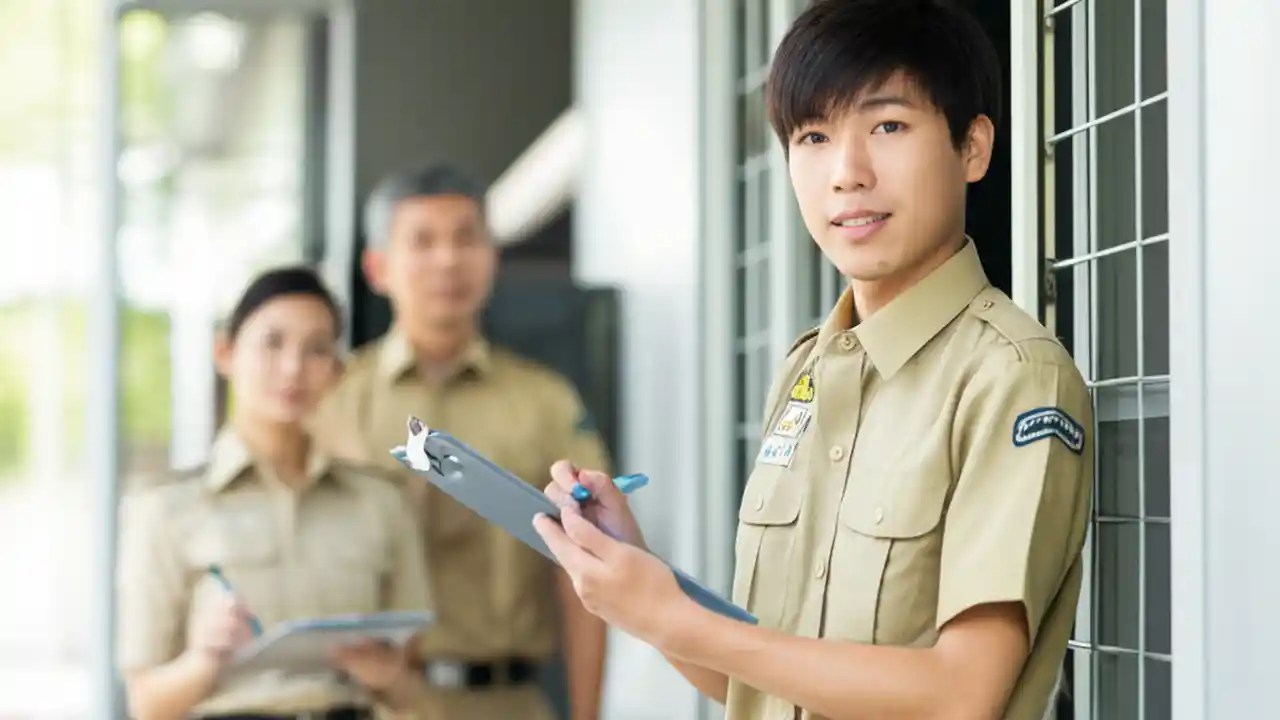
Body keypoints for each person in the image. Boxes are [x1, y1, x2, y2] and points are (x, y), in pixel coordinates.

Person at [532, 1, 1094, 719]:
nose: (847, 172)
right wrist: (644, 583)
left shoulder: (1013, 378)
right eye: (814, 136)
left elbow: (962, 695)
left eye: (888, 126)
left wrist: (679, 619)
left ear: (973, 148)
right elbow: (759, 681)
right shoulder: (807, 371)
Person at [310, 163, 610, 720]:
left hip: (510, 702)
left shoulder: (546, 401)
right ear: (378, 267)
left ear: (491, 258)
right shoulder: (334, 401)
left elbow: (585, 566)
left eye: (466, 237)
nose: (447, 259)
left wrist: (588, 715)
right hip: (371, 703)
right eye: (422, 241)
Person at [115, 267, 430, 720]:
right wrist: (203, 661)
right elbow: (145, 703)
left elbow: (411, 689)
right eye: (273, 342)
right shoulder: (166, 509)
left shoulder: (382, 502)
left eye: (317, 349)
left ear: (337, 371)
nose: (292, 368)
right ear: (225, 352)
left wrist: (387, 676)